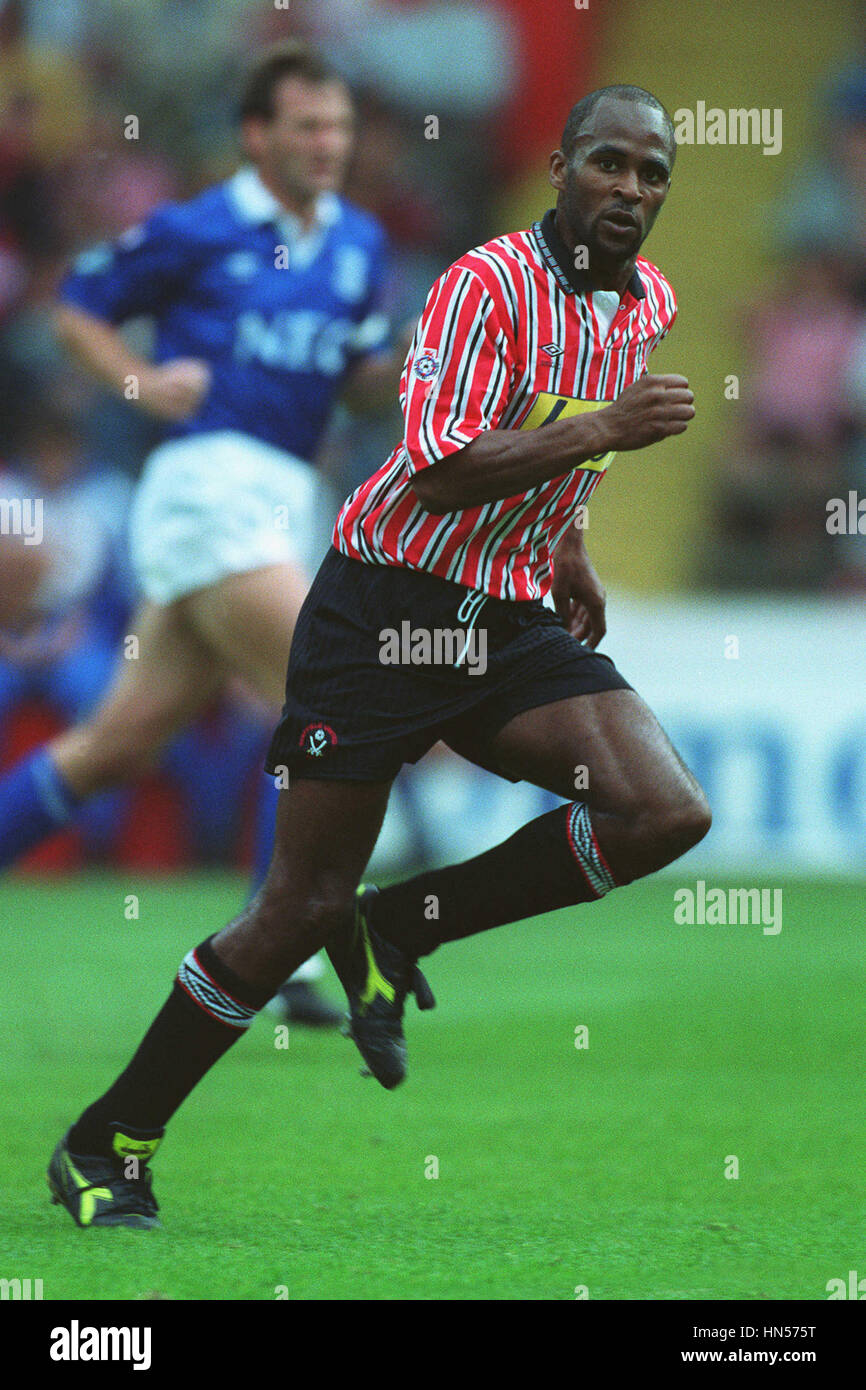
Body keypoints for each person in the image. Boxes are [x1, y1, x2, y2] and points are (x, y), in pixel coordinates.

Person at [46, 84, 711, 1230]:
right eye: (608, 163)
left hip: (502, 617)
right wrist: (603, 431)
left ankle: (398, 925)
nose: (630, 191)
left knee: (662, 811)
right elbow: (440, 465)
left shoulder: (642, 300)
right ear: (558, 163)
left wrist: (568, 539)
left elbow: (557, 434)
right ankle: (108, 1139)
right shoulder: (481, 285)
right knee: (296, 905)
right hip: (380, 614)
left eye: (651, 175)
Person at [0, 41, 407, 1022]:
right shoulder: (198, 228)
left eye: (339, 127)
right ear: (255, 134)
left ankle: (282, 945)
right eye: (307, 126)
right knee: (332, 692)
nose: (327, 144)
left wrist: (421, 367)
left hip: (284, 499)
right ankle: (285, 956)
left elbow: (355, 375)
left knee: (114, 746)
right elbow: (78, 308)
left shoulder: (358, 244)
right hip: (207, 483)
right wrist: (140, 381)